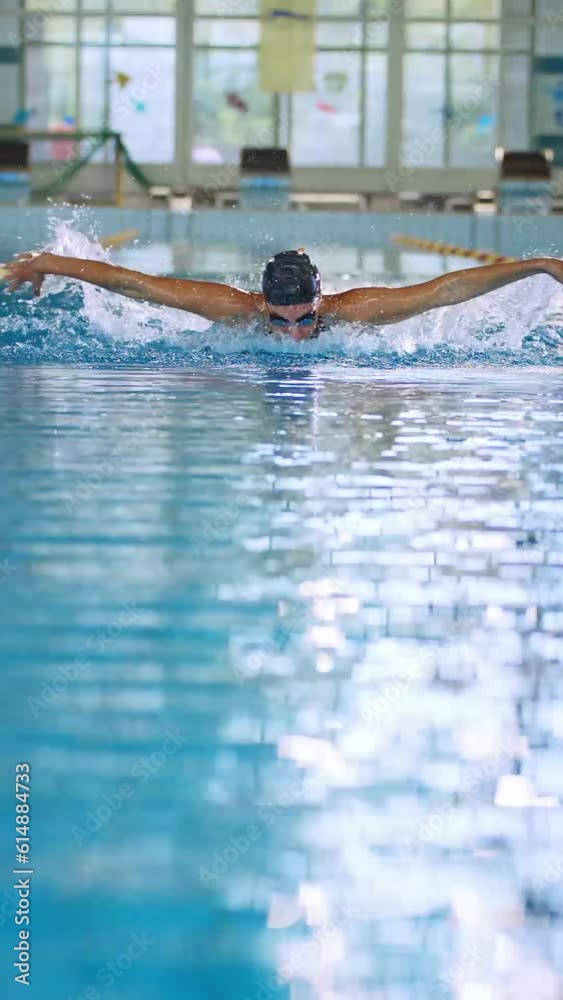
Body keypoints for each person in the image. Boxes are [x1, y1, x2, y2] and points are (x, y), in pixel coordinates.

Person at [5, 246, 563, 341]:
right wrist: (47, 262)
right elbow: (135, 284)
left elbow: (446, 290)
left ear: (321, 304)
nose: (295, 335)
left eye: (305, 321)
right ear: (262, 304)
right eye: (281, 322)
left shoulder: (355, 313)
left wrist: (538, 265)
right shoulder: (230, 309)